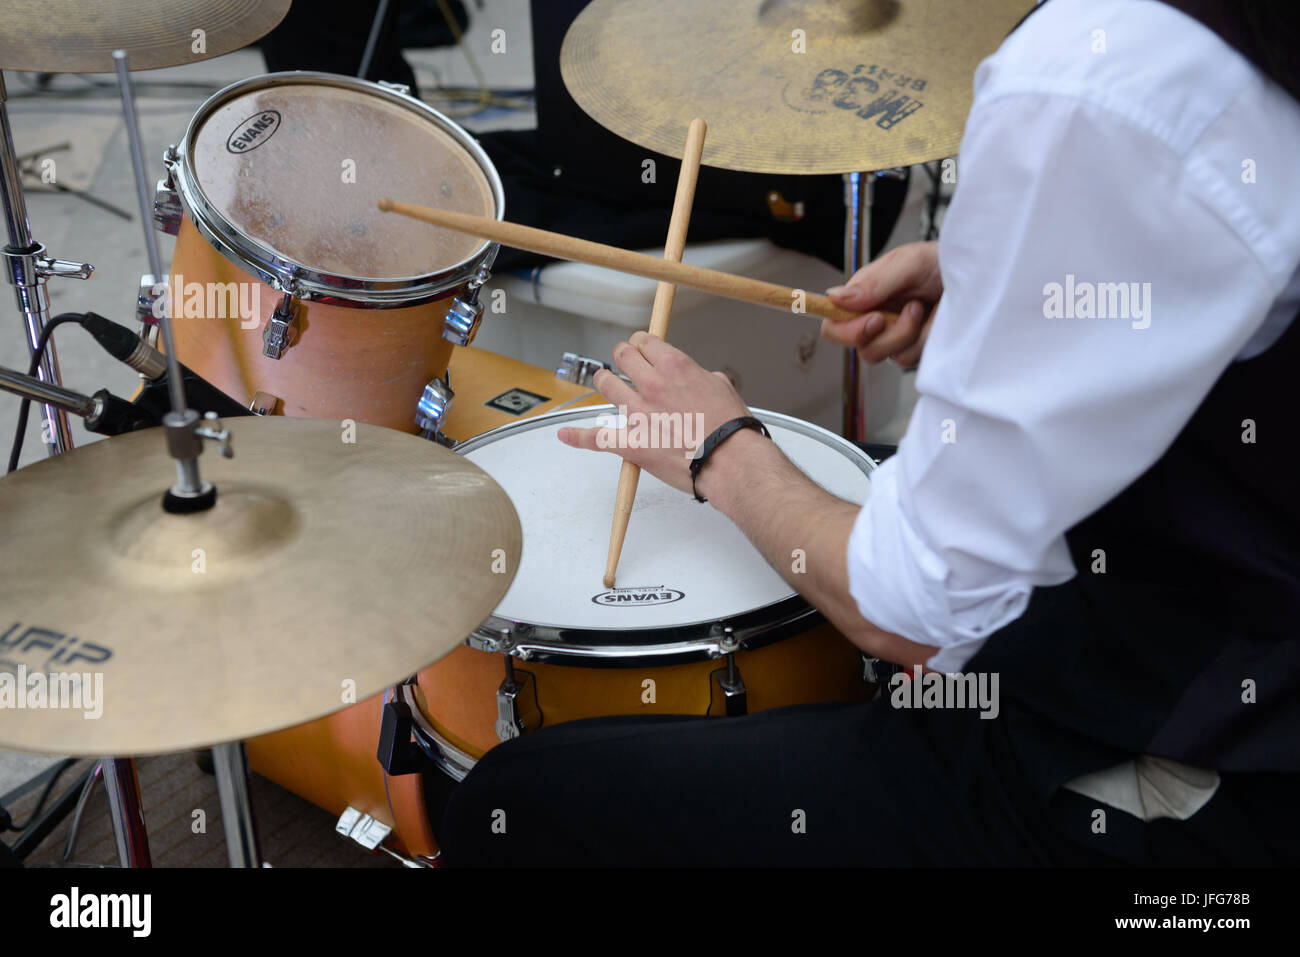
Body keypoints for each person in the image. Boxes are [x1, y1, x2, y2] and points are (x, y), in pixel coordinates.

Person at [440, 0, 1300, 866]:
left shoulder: (1102, 80)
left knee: (517, 800)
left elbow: (909, 608)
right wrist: (1004, 286)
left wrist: (719, 449)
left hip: (1190, 792)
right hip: (1220, 617)